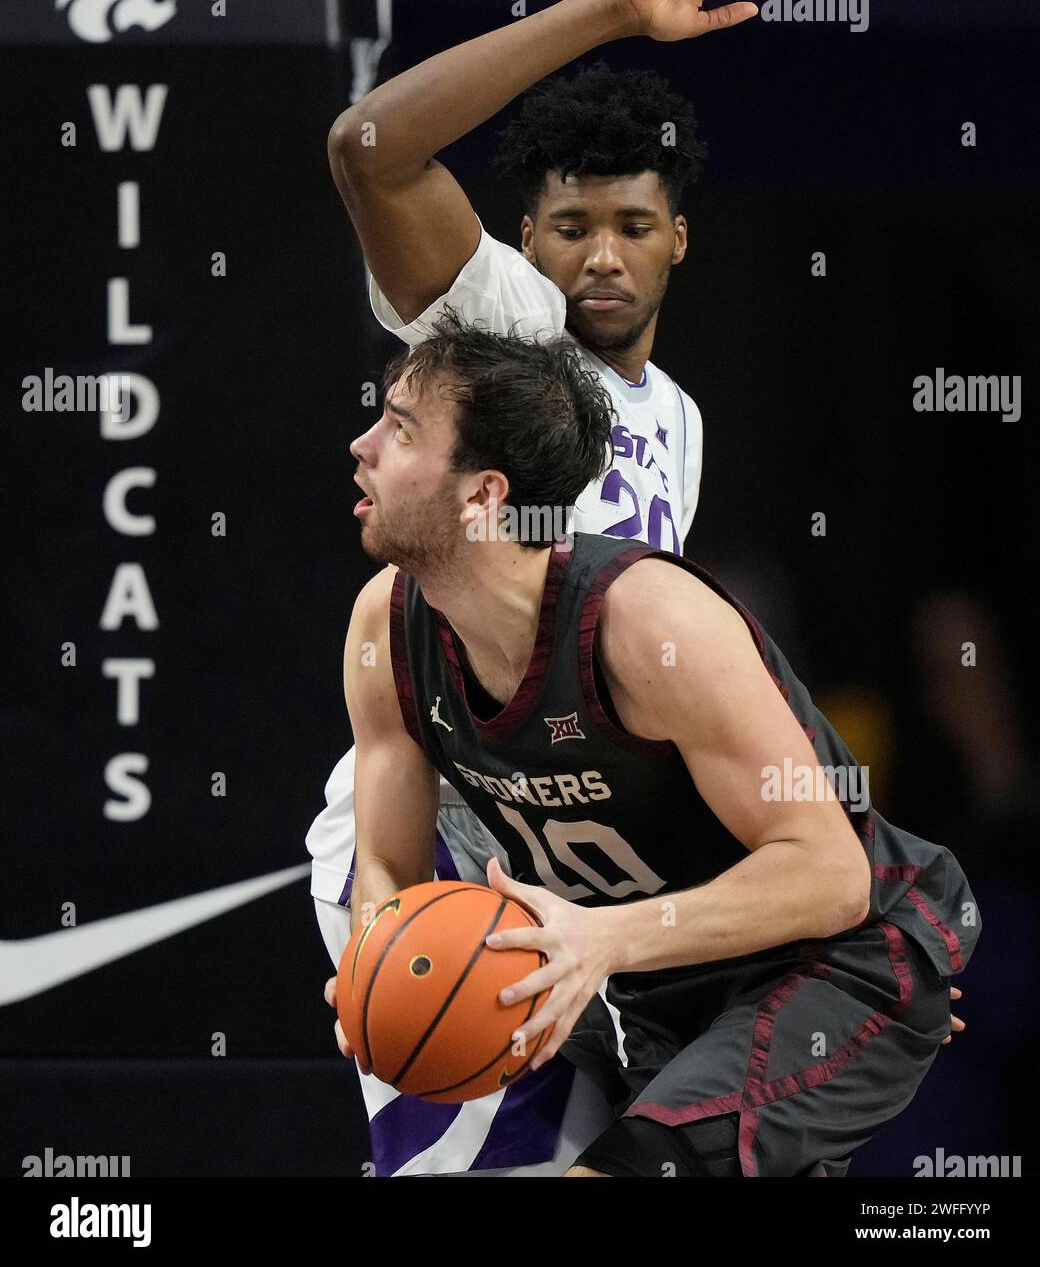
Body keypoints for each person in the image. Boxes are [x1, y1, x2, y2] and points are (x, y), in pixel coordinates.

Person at [307, 0, 813, 1175]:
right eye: (569, 223)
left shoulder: (676, 418)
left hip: (592, 867)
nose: (599, 252)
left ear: (678, 238)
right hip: (451, 841)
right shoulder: (500, 329)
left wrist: (852, 968)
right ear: (520, 245)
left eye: (632, 225)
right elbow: (366, 148)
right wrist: (609, 6)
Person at [328, 317, 979, 1177]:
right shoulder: (385, 626)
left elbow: (830, 875)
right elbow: (388, 861)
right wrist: (385, 969)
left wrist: (602, 939)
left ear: (484, 494)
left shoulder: (648, 624)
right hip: (654, 978)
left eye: (400, 429)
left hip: (836, 956)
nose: (361, 445)